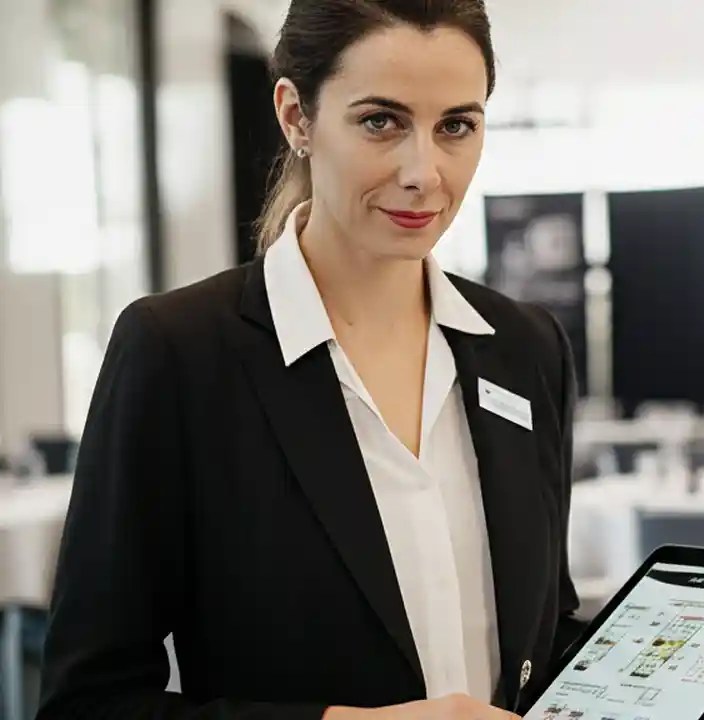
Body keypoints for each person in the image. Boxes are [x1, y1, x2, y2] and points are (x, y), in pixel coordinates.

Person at [38, 1, 586, 717]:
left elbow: (540, 642)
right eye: (380, 121)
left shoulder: (524, 348)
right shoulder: (180, 353)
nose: (425, 171)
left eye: (456, 125)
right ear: (296, 117)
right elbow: (88, 701)